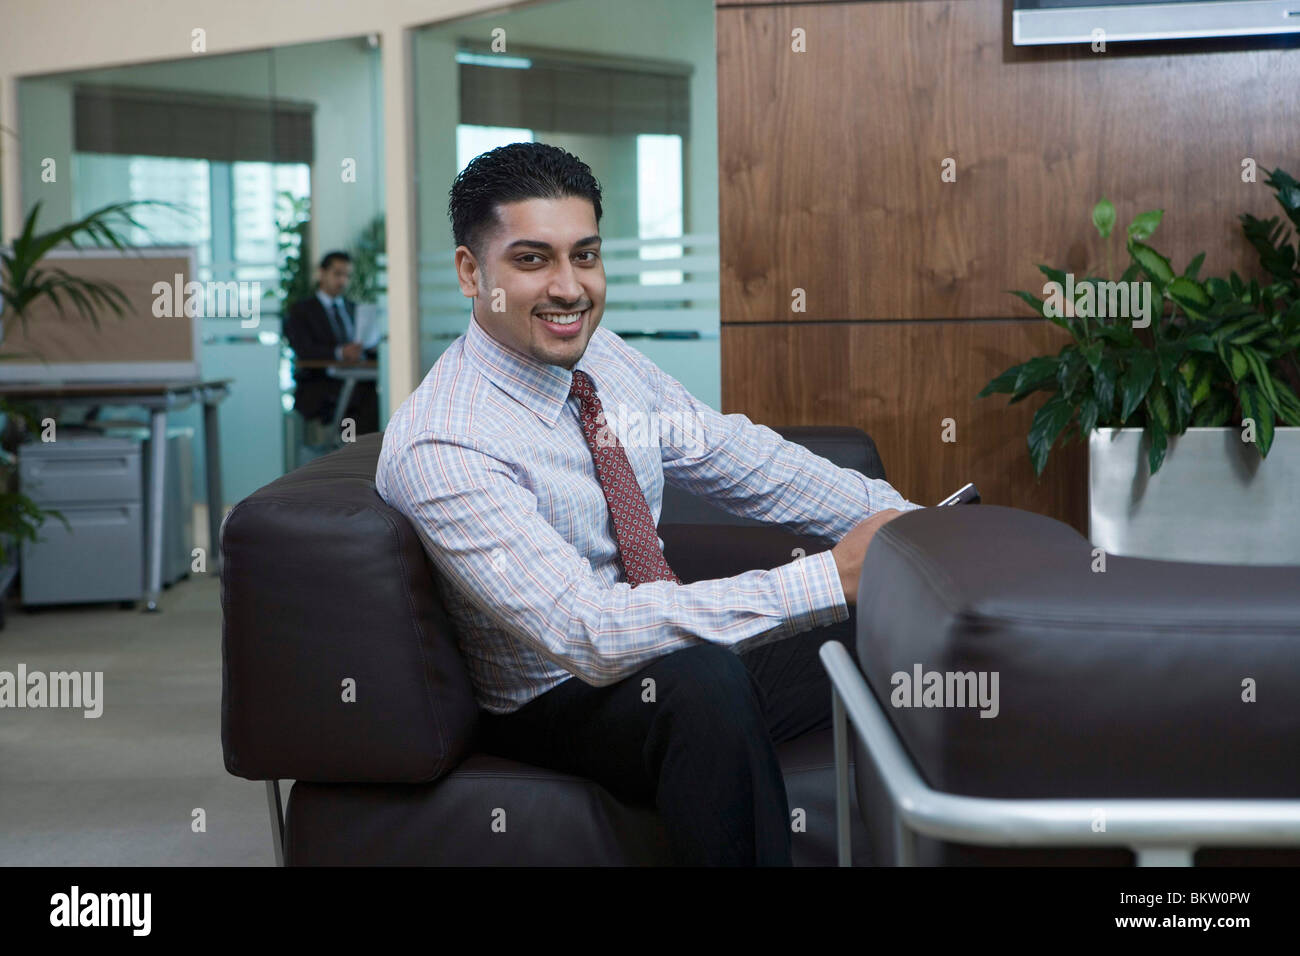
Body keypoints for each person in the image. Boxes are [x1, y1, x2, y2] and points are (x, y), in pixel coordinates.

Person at [375, 142, 923, 865]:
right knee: (703, 685)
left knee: (908, 623)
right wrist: (828, 575)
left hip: (656, 643)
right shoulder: (446, 441)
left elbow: (736, 455)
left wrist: (911, 527)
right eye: (533, 260)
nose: (569, 288)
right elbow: (587, 631)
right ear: (472, 273)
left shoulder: (601, 357)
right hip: (556, 691)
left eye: (586, 255)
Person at [284, 250, 379, 436]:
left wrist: (372, 347)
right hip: (320, 383)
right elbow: (304, 349)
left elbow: (363, 345)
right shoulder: (302, 311)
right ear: (322, 273)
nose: (343, 281)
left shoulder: (354, 309)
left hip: (355, 381)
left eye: (347, 276)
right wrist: (339, 353)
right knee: (357, 398)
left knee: (372, 395)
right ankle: (349, 453)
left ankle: (362, 455)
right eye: (337, 274)